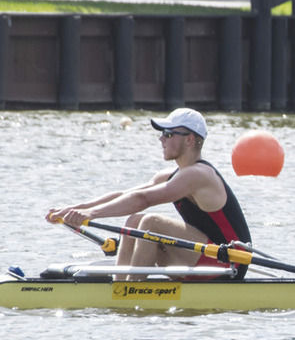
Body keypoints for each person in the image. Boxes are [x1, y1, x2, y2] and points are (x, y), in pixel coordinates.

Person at [46, 108, 252, 279]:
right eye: (163, 133)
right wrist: (75, 210)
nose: (161, 139)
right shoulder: (172, 175)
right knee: (135, 221)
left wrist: (91, 215)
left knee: (151, 222)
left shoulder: (199, 175)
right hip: (202, 258)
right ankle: (120, 285)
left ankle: (129, 290)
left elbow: (143, 200)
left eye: (169, 134)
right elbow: (127, 194)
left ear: (189, 140)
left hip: (229, 263)